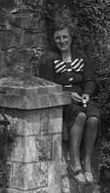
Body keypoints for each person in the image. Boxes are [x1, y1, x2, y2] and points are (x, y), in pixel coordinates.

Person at [37, 19, 102, 184]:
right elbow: (48, 85)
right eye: (58, 38)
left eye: (65, 37)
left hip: (81, 98)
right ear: (53, 39)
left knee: (93, 118)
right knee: (79, 116)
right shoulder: (48, 59)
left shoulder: (80, 56)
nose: (62, 41)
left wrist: (87, 93)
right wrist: (67, 93)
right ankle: (74, 162)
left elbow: (89, 79)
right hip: (62, 101)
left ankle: (87, 161)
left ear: (71, 37)